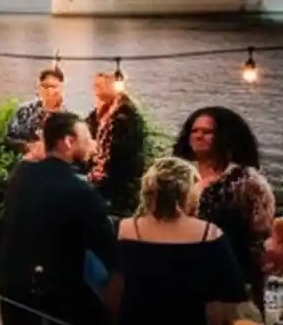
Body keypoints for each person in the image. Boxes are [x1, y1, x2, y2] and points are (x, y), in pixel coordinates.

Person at [0, 111, 115, 325]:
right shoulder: (80, 191)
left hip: (13, 292)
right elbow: (109, 250)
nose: (93, 144)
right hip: (54, 301)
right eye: (87, 138)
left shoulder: (22, 174)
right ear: (69, 142)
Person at [107, 157, 250, 324]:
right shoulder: (209, 234)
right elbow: (230, 299)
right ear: (187, 193)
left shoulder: (124, 230)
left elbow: (112, 294)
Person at [173, 106, 276, 313]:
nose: (199, 135)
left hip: (232, 281)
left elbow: (261, 237)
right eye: (195, 131)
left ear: (225, 137)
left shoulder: (247, 181)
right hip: (181, 278)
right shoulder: (176, 175)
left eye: (207, 131)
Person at [85, 72, 146, 216]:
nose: (96, 89)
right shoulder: (100, 112)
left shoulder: (124, 114)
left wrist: (95, 152)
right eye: (95, 85)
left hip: (120, 185)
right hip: (103, 177)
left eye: (101, 85)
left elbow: (119, 151)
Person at [5, 68, 64, 156]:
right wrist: (28, 146)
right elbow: (9, 138)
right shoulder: (24, 110)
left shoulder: (66, 117)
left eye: (53, 87)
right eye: (45, 86)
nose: (49, 91)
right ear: (40, 88)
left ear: (61, 88)